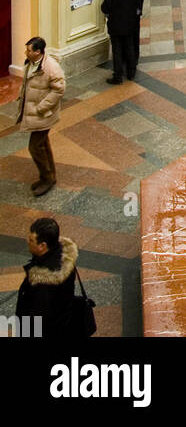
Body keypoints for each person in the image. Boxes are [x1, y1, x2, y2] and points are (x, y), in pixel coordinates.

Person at [14, 38, 65, 196]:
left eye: (29, 50)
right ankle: (50, 176)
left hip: (43, 114)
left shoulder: (51, 67)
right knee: (42, 144)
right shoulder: (31, 62)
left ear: (38, 52)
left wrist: (40, 107)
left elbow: (59, 90)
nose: (26, 53)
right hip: (36, 112)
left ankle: (47, 179)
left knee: (34, 147)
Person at [15, 218, 79, 337]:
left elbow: (37, 318)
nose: (27, 241)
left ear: (43, 246)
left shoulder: (43, 283)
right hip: (62, 323)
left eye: (31, 240)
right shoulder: (63, 255)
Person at [101, 0, 140, 83]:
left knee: (117, 50)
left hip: (116, 26)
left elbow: (105, 8)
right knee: (130, 47)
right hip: (130, 24)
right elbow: (137, 3)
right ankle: (131, 73)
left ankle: (118, 76)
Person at [118, 0, 151, 69]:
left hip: (134, 9)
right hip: (122, 9)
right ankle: (125, 57)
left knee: (134, 34)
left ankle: (134, 57)